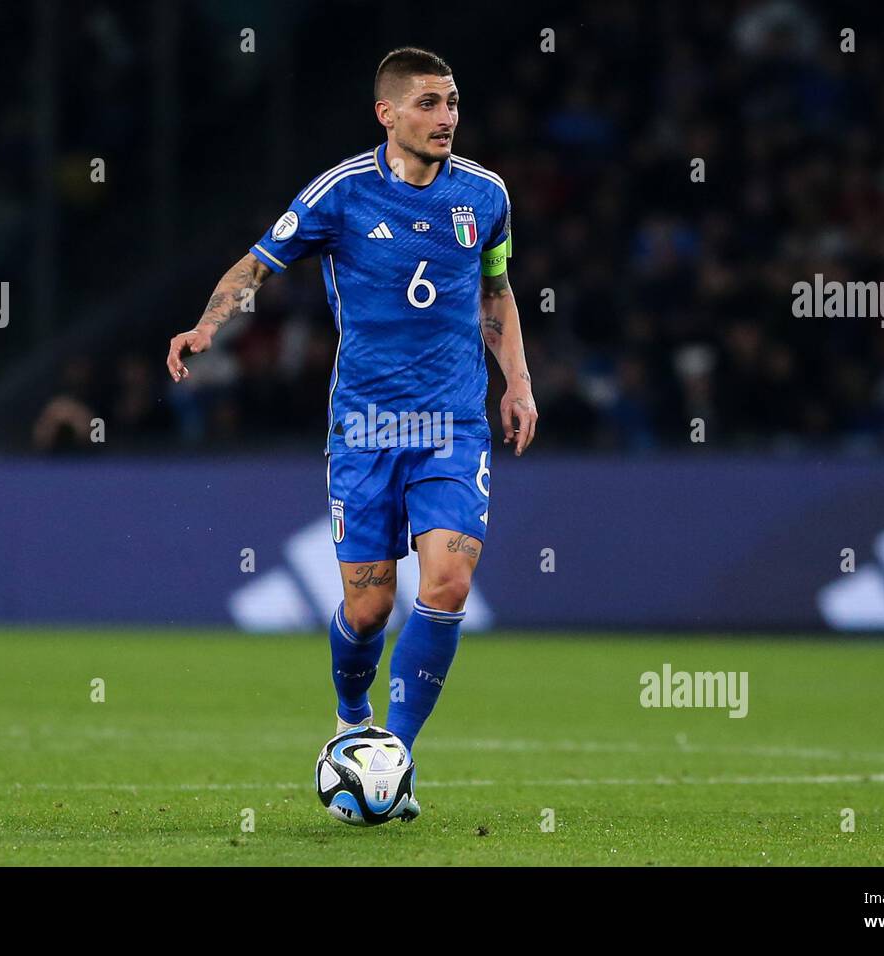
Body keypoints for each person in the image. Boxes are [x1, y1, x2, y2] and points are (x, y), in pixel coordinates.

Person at [166, 47, 537, 821]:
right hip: (365, 429)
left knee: (448, 583)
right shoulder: (340, 195)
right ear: (388, 113)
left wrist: (519, 380)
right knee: (367, 612)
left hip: (451, 427)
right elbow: (257, 267)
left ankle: (390, 758)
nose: (447, 118)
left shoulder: (485, 196)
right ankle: (351, 718)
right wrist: (208, 324)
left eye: (453, 102)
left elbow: (496, 290)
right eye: (430, 104)